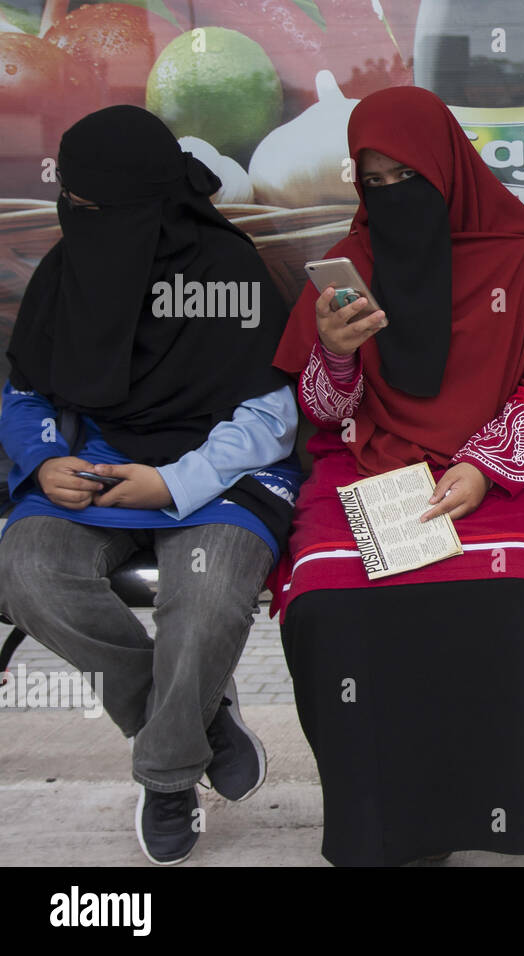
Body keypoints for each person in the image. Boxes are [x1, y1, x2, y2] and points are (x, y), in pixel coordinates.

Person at [270, 87, 524, 867]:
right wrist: (336, 350)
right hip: (369, 463)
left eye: (404, 178)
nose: (388, 199)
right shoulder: (353, 264)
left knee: (504, 595)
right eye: (371, 183)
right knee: (327, 604)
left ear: (446, 168)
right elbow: (322, 411)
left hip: (493, 469)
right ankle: (377, 824)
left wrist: (484, 470)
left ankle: (473, 811)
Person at [0, 106, 300, 865]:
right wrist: (41, 461)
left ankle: (168, 774)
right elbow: (24, 388)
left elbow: (271, 411)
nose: (79, 221)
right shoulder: (67, 272)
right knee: (31, 573)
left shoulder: (229, 271)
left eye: (96, 210)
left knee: (203, 595)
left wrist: (171, 482)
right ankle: (196, 721)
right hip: (94, 465)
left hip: (220, 472)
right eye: (74, 204)